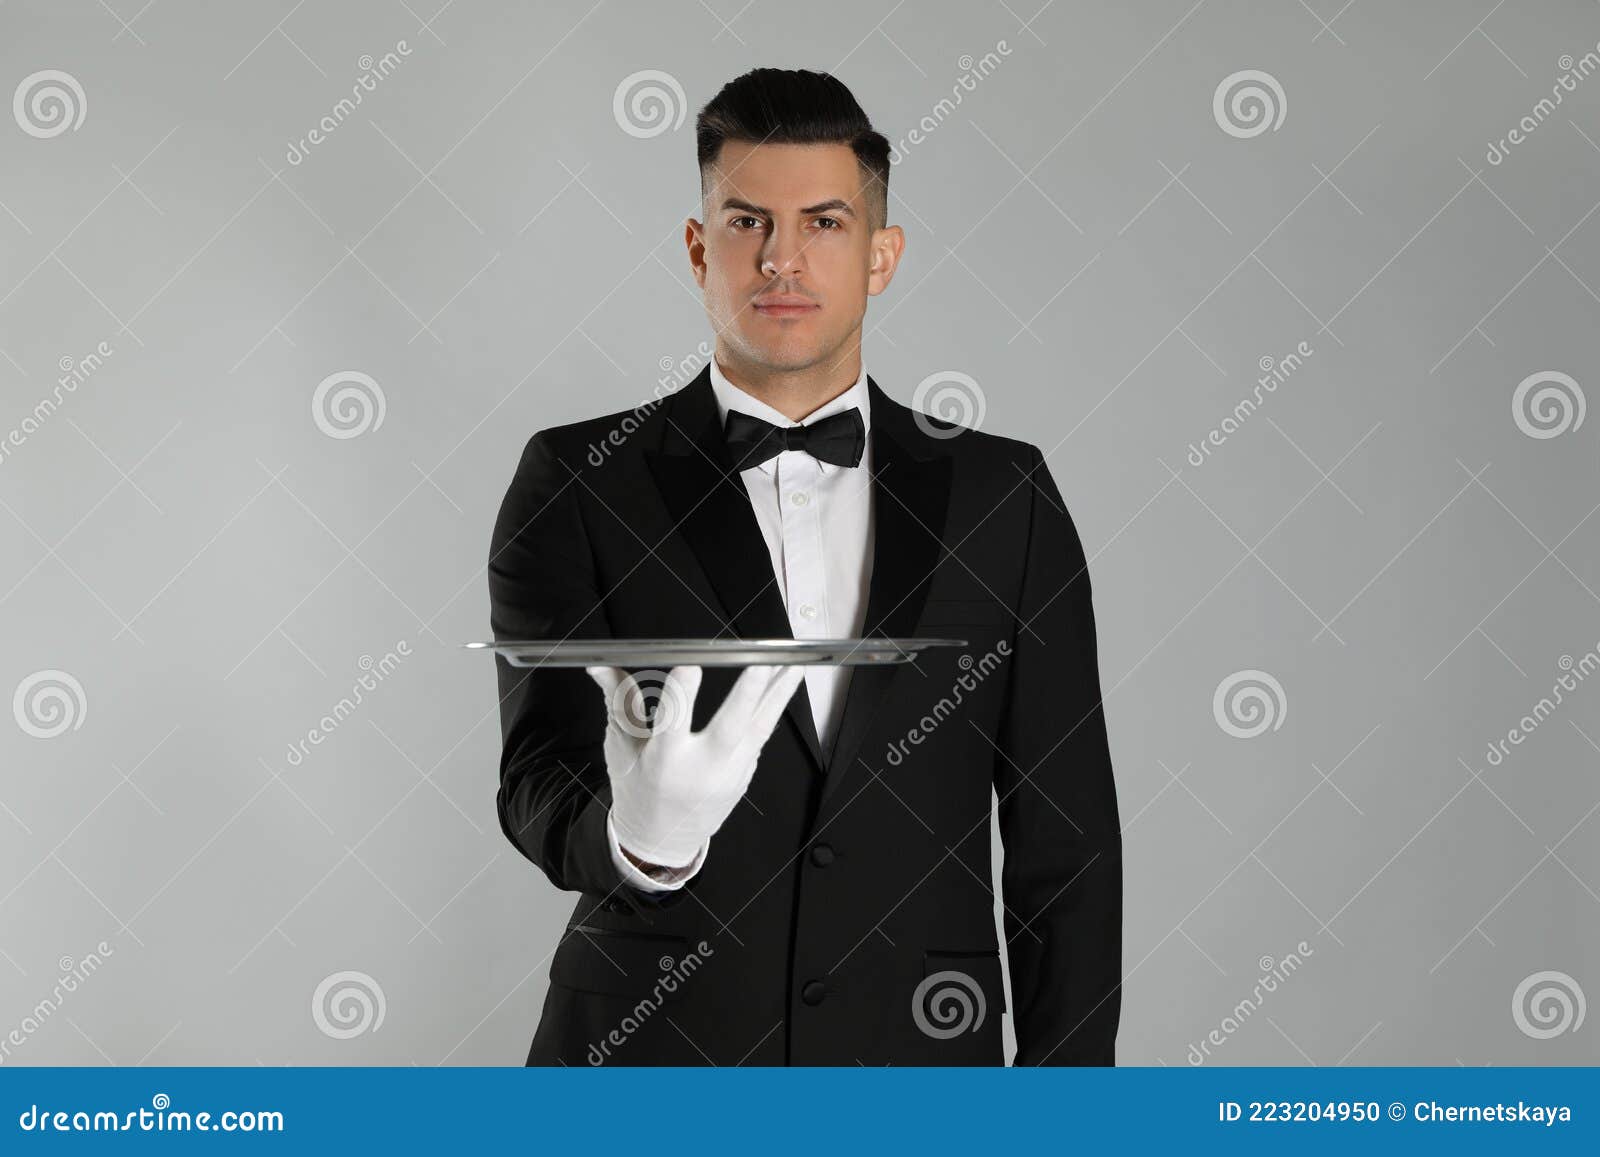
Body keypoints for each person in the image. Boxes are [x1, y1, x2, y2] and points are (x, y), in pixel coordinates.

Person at [487, 67, 1121, 1066]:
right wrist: (637, 836)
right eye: (747, 222)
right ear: (699, 250)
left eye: (823, 223)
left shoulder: (1007, 495)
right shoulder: (577, 480)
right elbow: (536, 777)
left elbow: (1065, 845)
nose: (782, 258)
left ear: (880, 255)